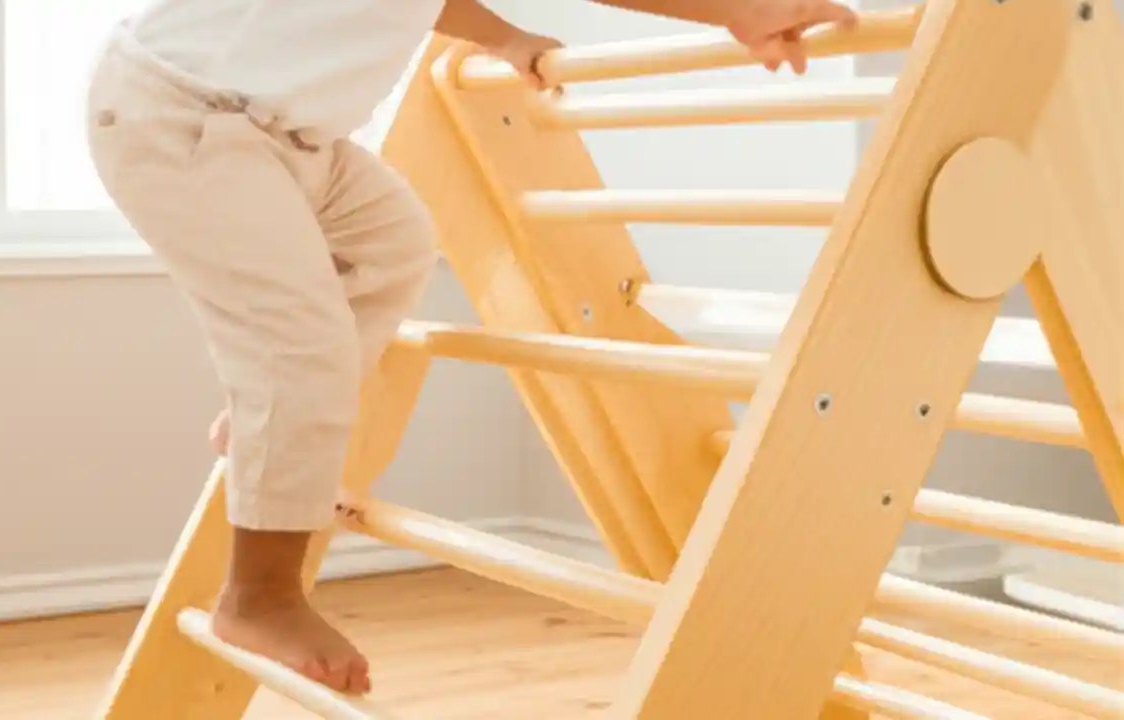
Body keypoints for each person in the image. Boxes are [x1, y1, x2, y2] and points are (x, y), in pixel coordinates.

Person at [86, 0, 859, 697]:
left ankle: (275, 420)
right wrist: (733, 10)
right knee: (299, 347)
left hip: (290, 136)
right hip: (186, 116)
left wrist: (505, 35)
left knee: (392, 242)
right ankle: (258, 597)